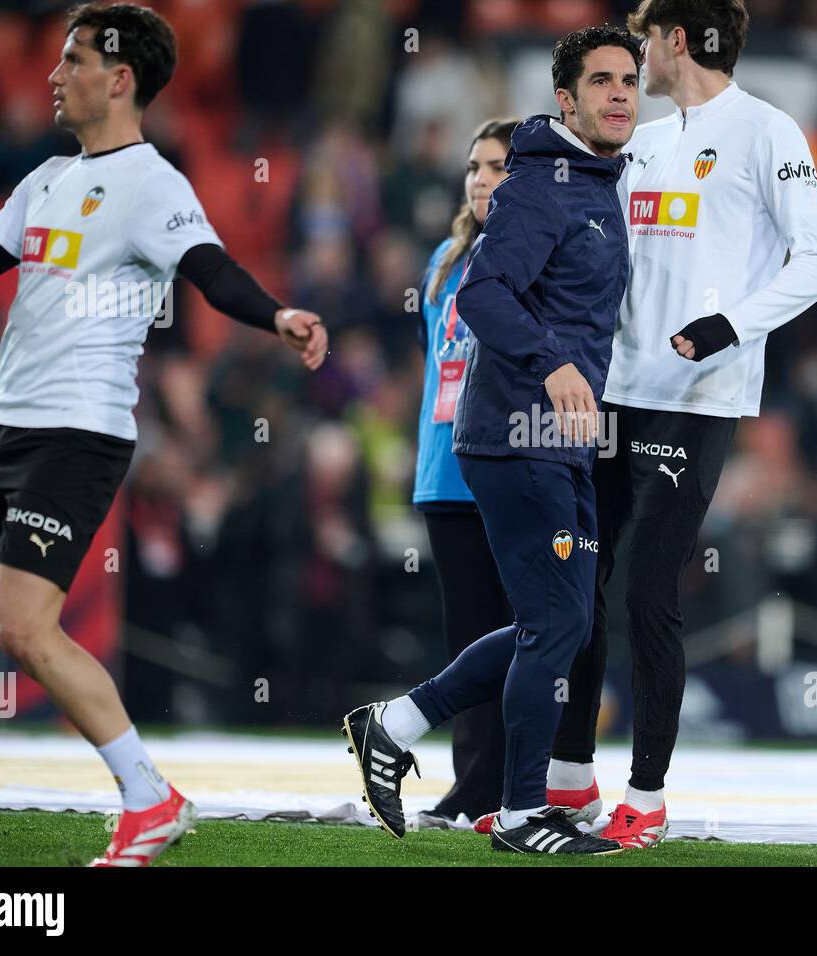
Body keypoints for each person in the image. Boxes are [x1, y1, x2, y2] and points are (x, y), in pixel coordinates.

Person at [0, 3, 327, 868]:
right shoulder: (45, 181)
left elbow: (211, 272)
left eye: (72, 61)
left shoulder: (153, 184)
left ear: (120, 77)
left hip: (78, 434)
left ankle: (151, 797)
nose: (54, 76)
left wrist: (278, 312)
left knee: (23, 629)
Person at [342, 25, 641, 855]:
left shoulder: (595, 182)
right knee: (555, 620)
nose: (620, 93)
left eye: (630, 80)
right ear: (566, 98)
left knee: (564, 621)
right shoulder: (541, 184)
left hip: (563, 437)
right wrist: (551, 366)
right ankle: (517, 814)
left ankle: (393, 724)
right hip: (515, 432)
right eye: (602, 81)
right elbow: (483, 294)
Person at [548, 0, 817, 848]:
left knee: (647, 590)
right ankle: (570, 780)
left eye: (645, 39)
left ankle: (648, 794)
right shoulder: (642, 137)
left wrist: (730, 326)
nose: (637, 57)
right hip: (613, 390)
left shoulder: (767, 132)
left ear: (679, 40)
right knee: (582, 584)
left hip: (697, 397)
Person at [411, 118, 519, 829]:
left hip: (507, 469)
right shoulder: (445, 260)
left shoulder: (535, 256)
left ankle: (503, 786)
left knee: (513, 637)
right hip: (444, 472)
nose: (480, 178)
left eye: (498, 166)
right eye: (474, 166)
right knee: (466, 642)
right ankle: (471, 784)